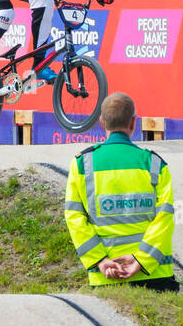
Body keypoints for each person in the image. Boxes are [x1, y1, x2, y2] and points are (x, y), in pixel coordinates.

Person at [64, 91, 177, 290]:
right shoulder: (156, 164)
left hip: (107, 275)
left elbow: (74, 218)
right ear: (133, 123)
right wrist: (141, 261)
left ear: (101, 122)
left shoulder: (82, 164)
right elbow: (165, 218)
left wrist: (100, 260)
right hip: (155, 274)